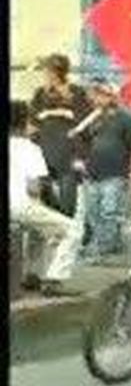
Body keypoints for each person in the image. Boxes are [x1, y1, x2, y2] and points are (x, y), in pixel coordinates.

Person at [10, 101, 81, 296]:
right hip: (20, 206)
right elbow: (35, 189)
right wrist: (55, 205)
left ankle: (32, 274)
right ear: (25, 123)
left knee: (38, 228)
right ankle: (54, 278)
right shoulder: (30, 149)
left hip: (17, 209)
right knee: (73, 230)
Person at [75, 81, 131, 259]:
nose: (95, 99)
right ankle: (110, 243)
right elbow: (81, 143)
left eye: (101, 95)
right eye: (94, 95)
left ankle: (102, 246)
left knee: (109, 211)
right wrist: (79, 160)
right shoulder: (92, 119)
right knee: (93, 212)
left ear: (112, 97)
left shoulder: (126, 120)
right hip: (92, 173)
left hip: (115, 174)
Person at [30, 54, 91, 217]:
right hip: (45, 151)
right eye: (45, 72)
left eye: (48, 71)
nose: (46, 75)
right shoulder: (40, 94)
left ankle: (66, 226)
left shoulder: (77, 92)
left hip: (68, 153)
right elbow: (33, 121)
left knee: (67, 203)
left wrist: (62, 111)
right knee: (44, 200)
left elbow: (85, 120)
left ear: (57, 73)